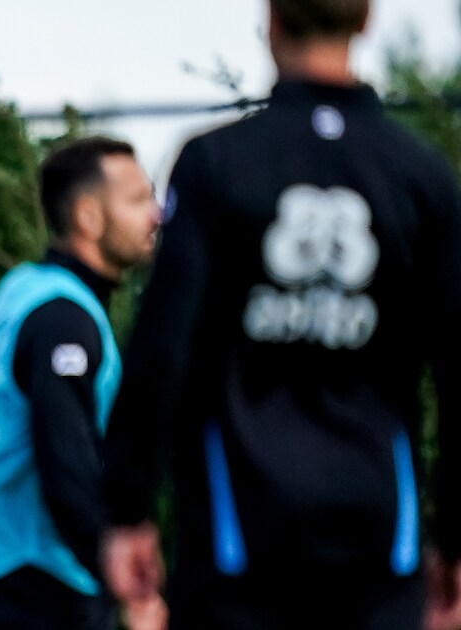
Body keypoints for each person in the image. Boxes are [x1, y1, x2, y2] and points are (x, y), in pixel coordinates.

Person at [100, 1, 461, 628]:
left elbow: (162, 349)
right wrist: (454, 537)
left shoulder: (216, 163)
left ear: (270, 20)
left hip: (239, 548)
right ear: (367, 20)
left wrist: (127, 508)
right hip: (379, 547)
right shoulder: (421, 175)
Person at [0, 136, 162, 629]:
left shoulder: (31, 290)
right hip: (24, 588)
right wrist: (129, 587)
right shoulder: (61, 318)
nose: (156, 215)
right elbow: (66, 464)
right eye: (138, 200)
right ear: (88, 217)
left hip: (44, 585)